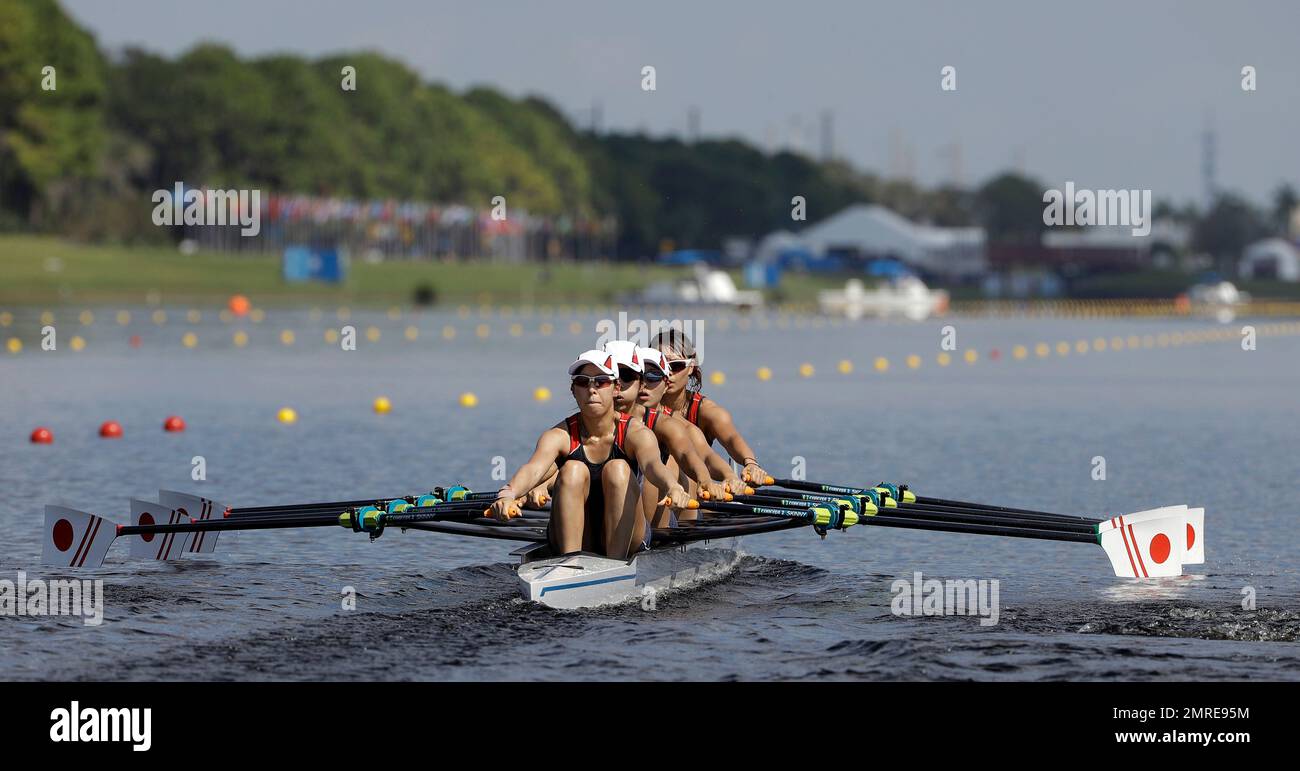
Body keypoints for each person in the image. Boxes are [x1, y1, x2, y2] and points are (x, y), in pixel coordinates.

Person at [488, 350, 689, 559]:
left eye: (601, 382)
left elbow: (653, 466)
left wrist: (673, 487)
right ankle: (569, 563)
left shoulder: (636, 433)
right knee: (573, 469)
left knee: (617, 468)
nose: (591, 389)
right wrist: (508, 495)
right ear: (573, 390)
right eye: (583, 382)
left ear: (615, 388)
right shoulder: (559, 436)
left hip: (629, 536)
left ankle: (615, 565)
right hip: (579, 537)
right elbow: (533, 469)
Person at [599, 341, 740, 527]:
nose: (618, 386)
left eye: (626, 377)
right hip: (607, 506)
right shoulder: (585, 421)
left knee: (669, 462)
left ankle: (657, 537)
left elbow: (698, 457)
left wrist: (711, 480)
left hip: (661, 510)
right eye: (609, 379)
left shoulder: (673, 425)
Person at [652, 328, 769, 487]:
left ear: (691, 366)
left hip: (692, 490)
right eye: (660, 366)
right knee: (671, 460)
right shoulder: (639, 404)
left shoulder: (708, 412)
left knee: (681, 461)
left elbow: (731, 439)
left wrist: (750, 465)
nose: (668, 373)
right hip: (650, 486)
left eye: (676, 365)